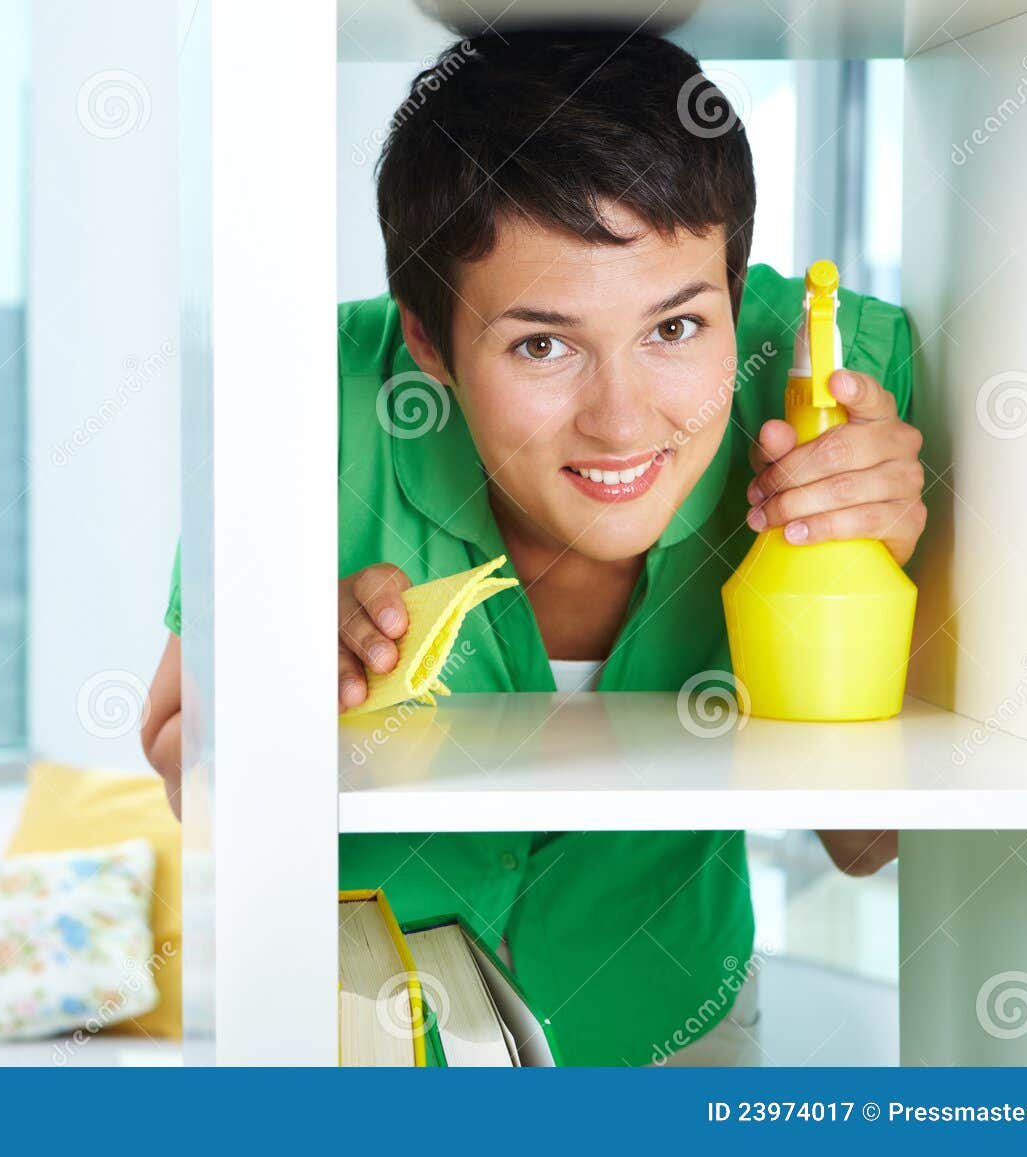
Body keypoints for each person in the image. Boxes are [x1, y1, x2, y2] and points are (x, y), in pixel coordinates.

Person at [143, 29, 918, 1066]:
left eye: (675, 329)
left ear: (733, 295)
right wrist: (268, 698)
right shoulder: (298, 404)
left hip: (675, 1019)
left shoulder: (838, 379)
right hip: (366, 1033)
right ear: (428, 339)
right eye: (541, 344)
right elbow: (183, 763)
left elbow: (866, 844)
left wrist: (860, 593)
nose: (621, 419)